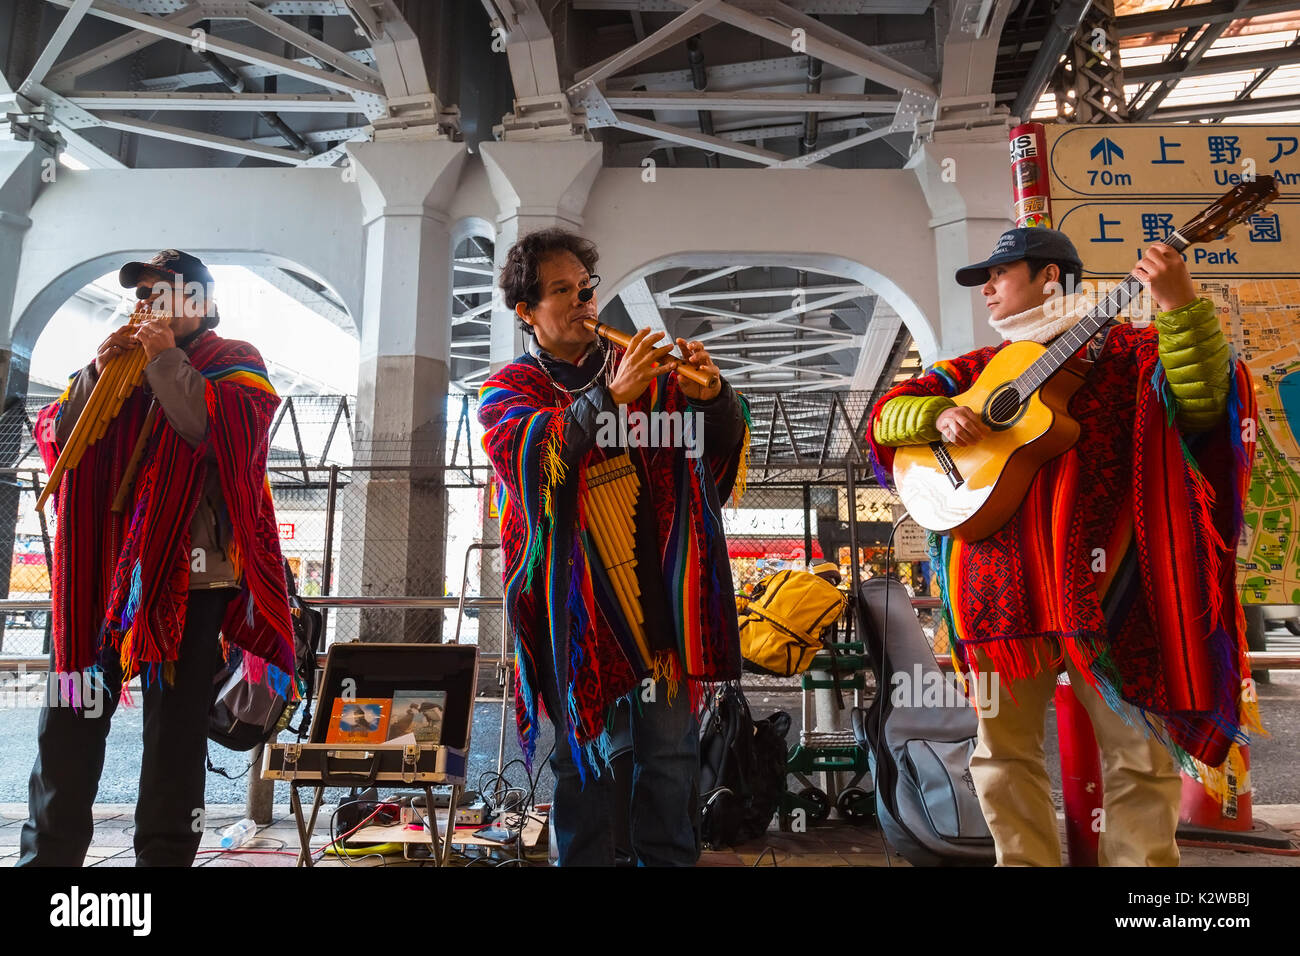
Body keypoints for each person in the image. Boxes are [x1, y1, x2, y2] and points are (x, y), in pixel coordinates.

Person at [866, 227, 1260, 866]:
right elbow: (886, 415)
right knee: (1000, 755)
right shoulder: (970, 371)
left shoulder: (1135, 352)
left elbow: (1205, 400)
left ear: (1052, 276)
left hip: (1113, 589)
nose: (987, 288)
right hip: (996, 595)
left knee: (1140, 755)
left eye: (999, 273)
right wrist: (935, 415)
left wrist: (1181, 307)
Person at [478, 228, 750, 866]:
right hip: (570, 617)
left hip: (656, 604)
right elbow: (529, 458)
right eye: (562, 291)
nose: (583, 302)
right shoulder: (507, 388)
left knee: (671, 760)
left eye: (586, 288)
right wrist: (608, 399)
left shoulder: (650, 379)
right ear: (526, 312)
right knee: (583, 771)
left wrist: (712, 400)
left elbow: (707, 457)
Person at [20, 250, 296, 867]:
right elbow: (63, 438)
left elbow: (214, 429)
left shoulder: (238, 363)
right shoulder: (111, 365)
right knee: (68, 726)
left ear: (198, 300)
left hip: (189, 585)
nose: (145, 305)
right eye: (141, 294)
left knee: (172, 740)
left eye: (161, 294)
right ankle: (48, 862)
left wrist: (164, 358)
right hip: (96, 582)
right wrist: (99, 372)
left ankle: (161, 865)